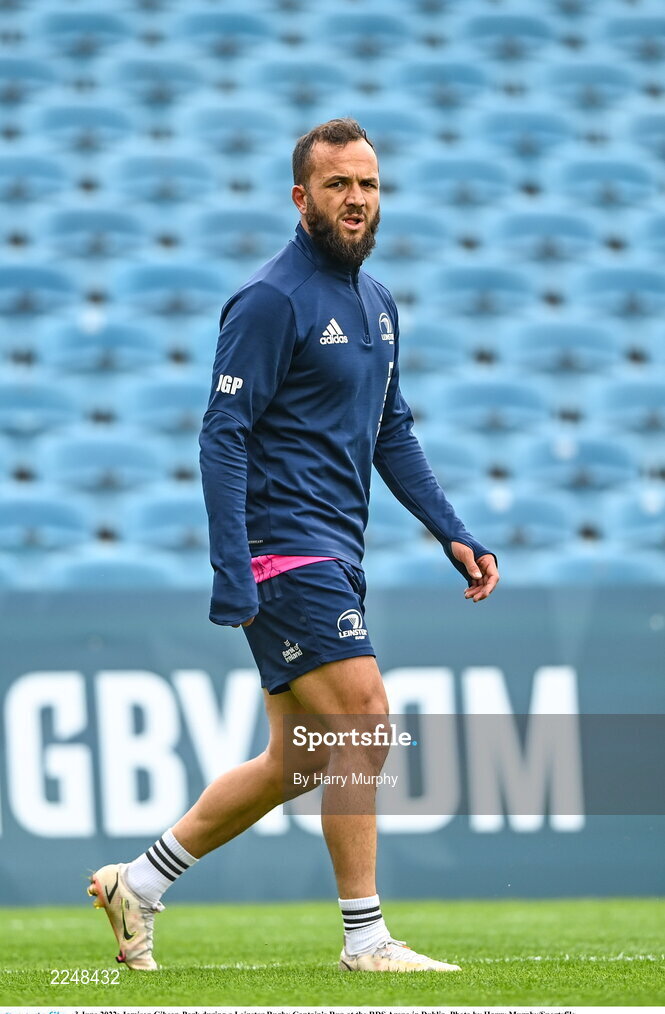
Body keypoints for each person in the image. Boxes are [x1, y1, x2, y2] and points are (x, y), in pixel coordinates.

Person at [88, 118, 499, 973]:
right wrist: (231, 566)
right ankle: (366, 938)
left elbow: (393, 435)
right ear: (300, 196)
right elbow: (221, 433)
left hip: (337, 553)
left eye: (369, 184)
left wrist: (452, 532)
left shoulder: (378, 306)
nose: (356, 199)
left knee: (298, 763)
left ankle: (140, 883)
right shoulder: (271, 300)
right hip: (284, 550)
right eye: (338, 184)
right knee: (365, 721)